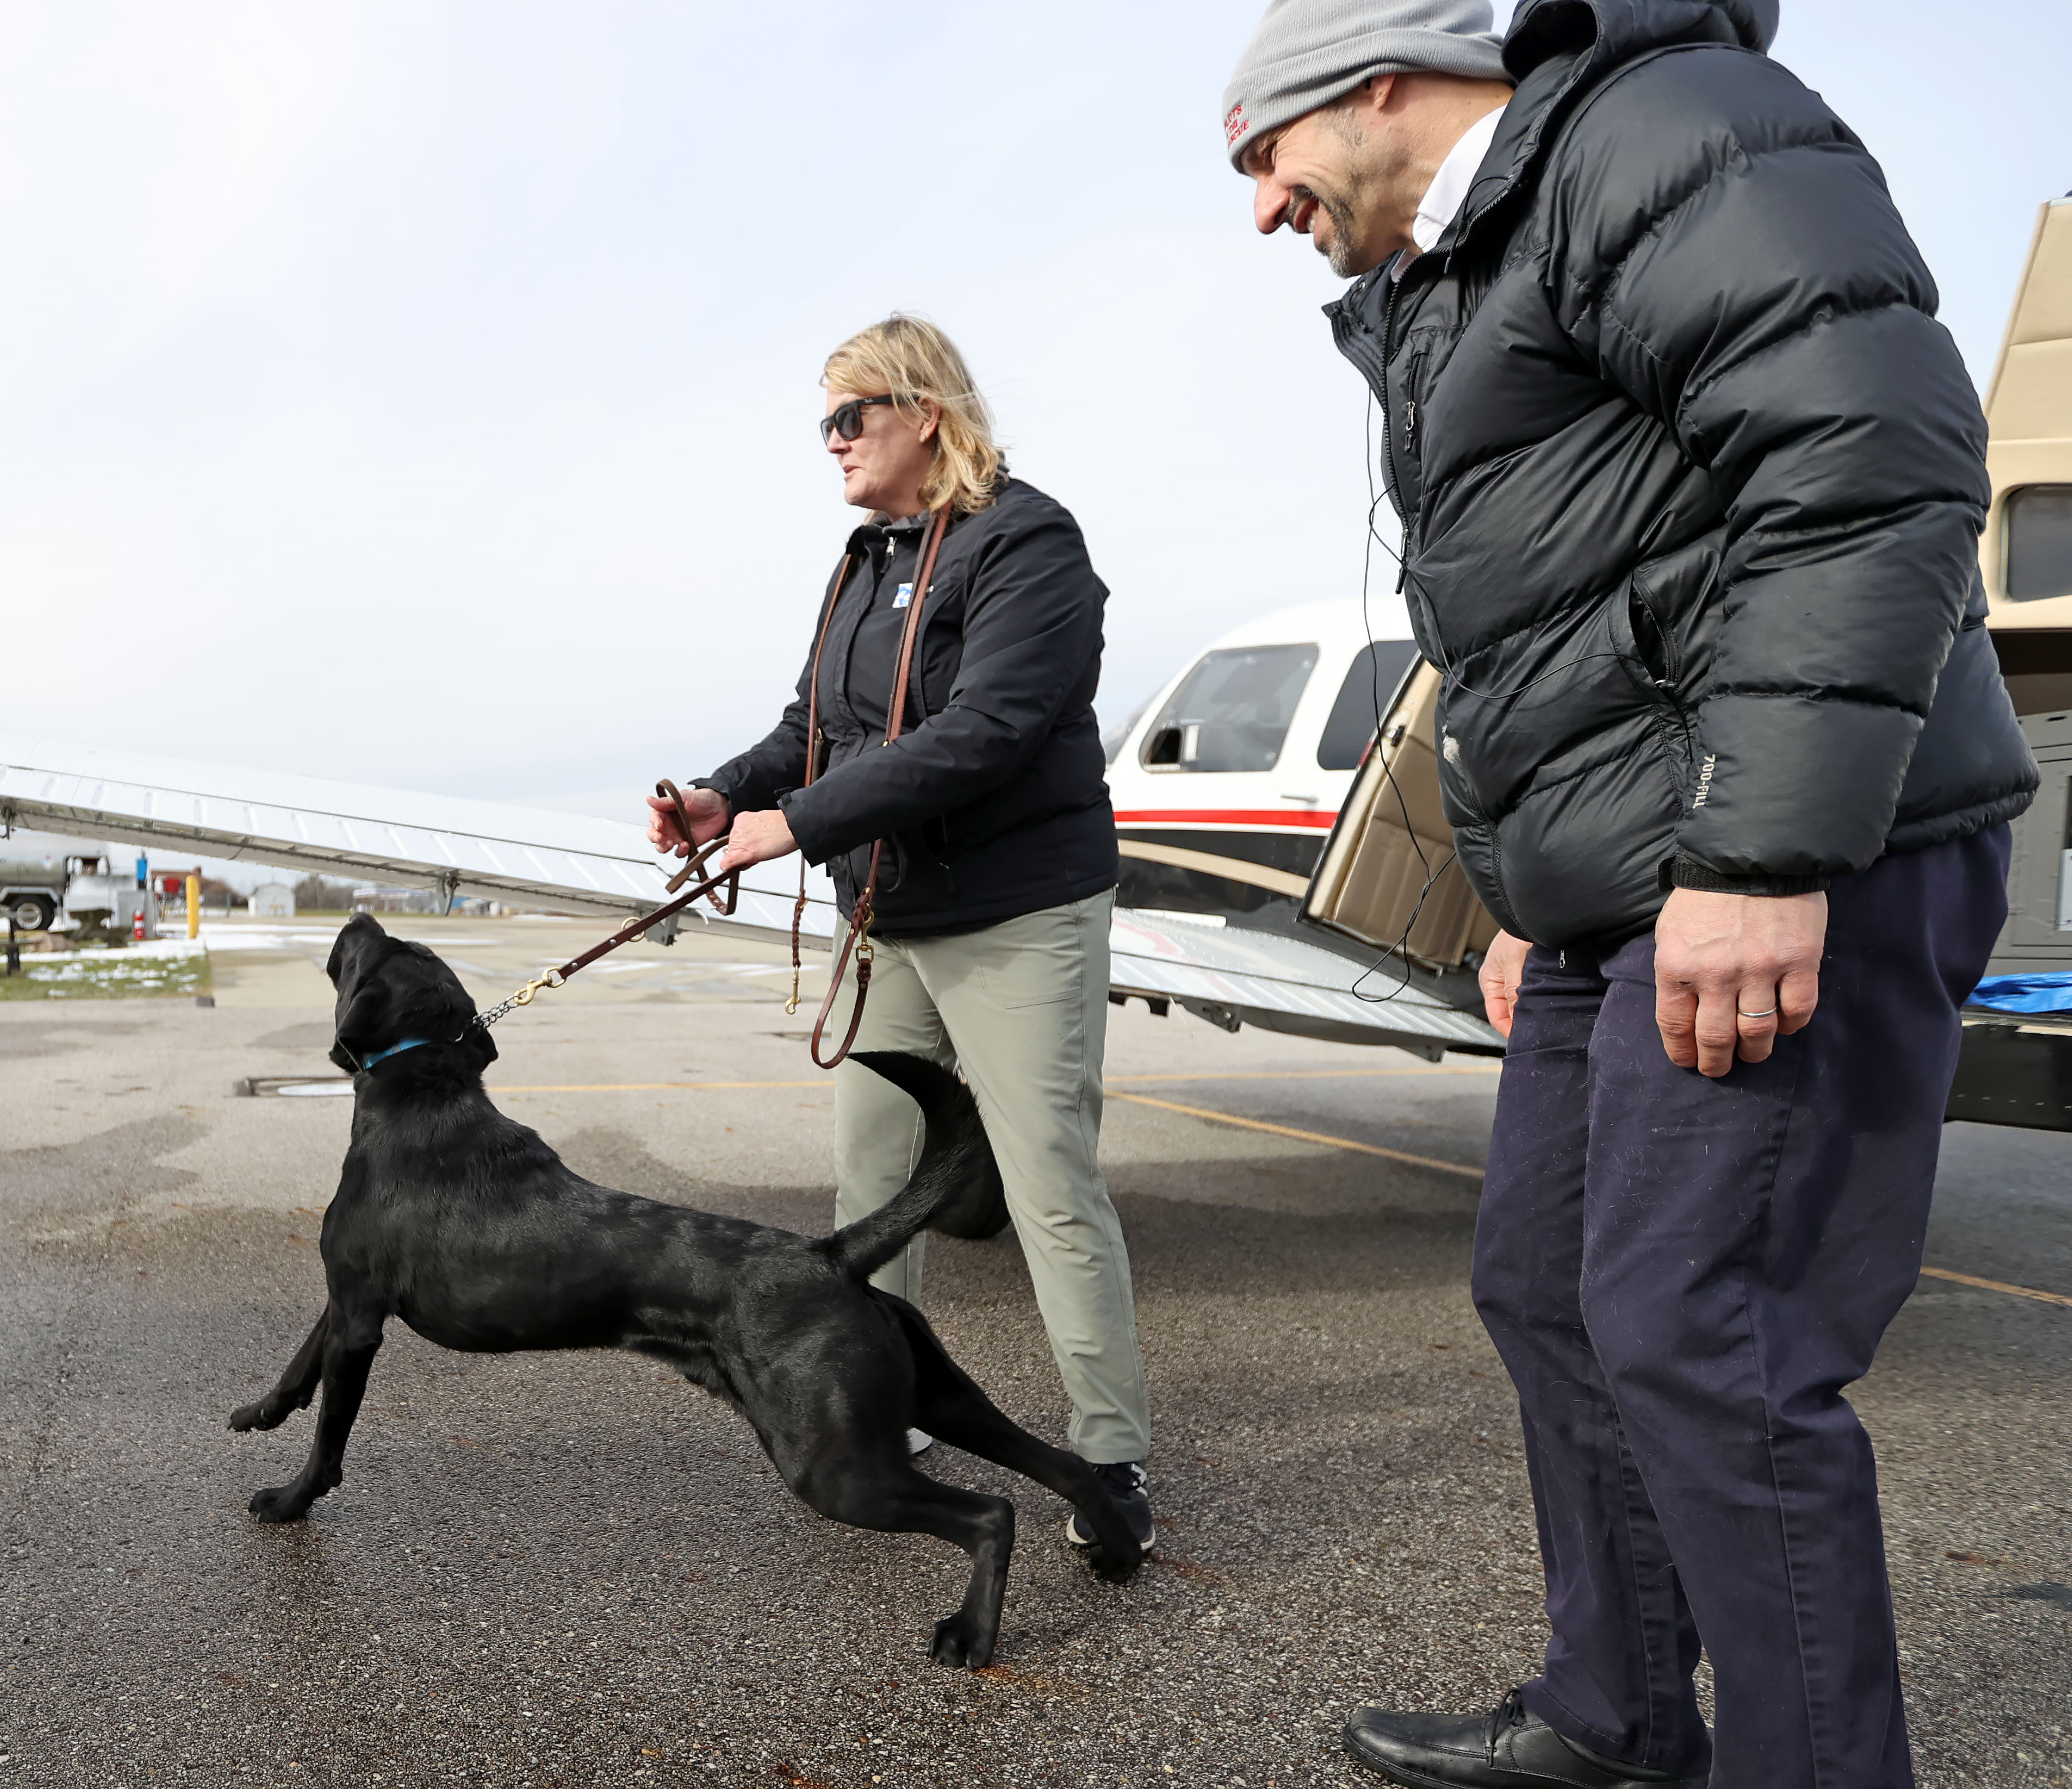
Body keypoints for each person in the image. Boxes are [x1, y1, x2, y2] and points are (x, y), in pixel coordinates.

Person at [1220, 2, 2037, 1786]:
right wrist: (1528, 894)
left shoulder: (1662, 128)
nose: (1260, 211)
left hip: (1796, 843)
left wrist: (1758, 856)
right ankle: (1617, 1712)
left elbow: (1860, 468)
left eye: (1259, 160)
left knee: (1707, 1339)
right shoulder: (1470, 274)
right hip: (1621, 885)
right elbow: (1548, 630)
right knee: (1539, 1284)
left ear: (1367, 88)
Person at [644, 314, 1156, 1550]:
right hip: (893, 918)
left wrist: (800, 821)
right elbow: (812, 725)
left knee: (1047, 1186)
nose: (831, 443)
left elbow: (983, 733)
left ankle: (1111, 1458)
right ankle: (877, 1416)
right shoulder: (867, 562)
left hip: (1017, 916)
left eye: (848, 416)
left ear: (923, 413)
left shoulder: (1027, 542)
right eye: (823, 422)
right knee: (874, 1183)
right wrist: (727, 794)